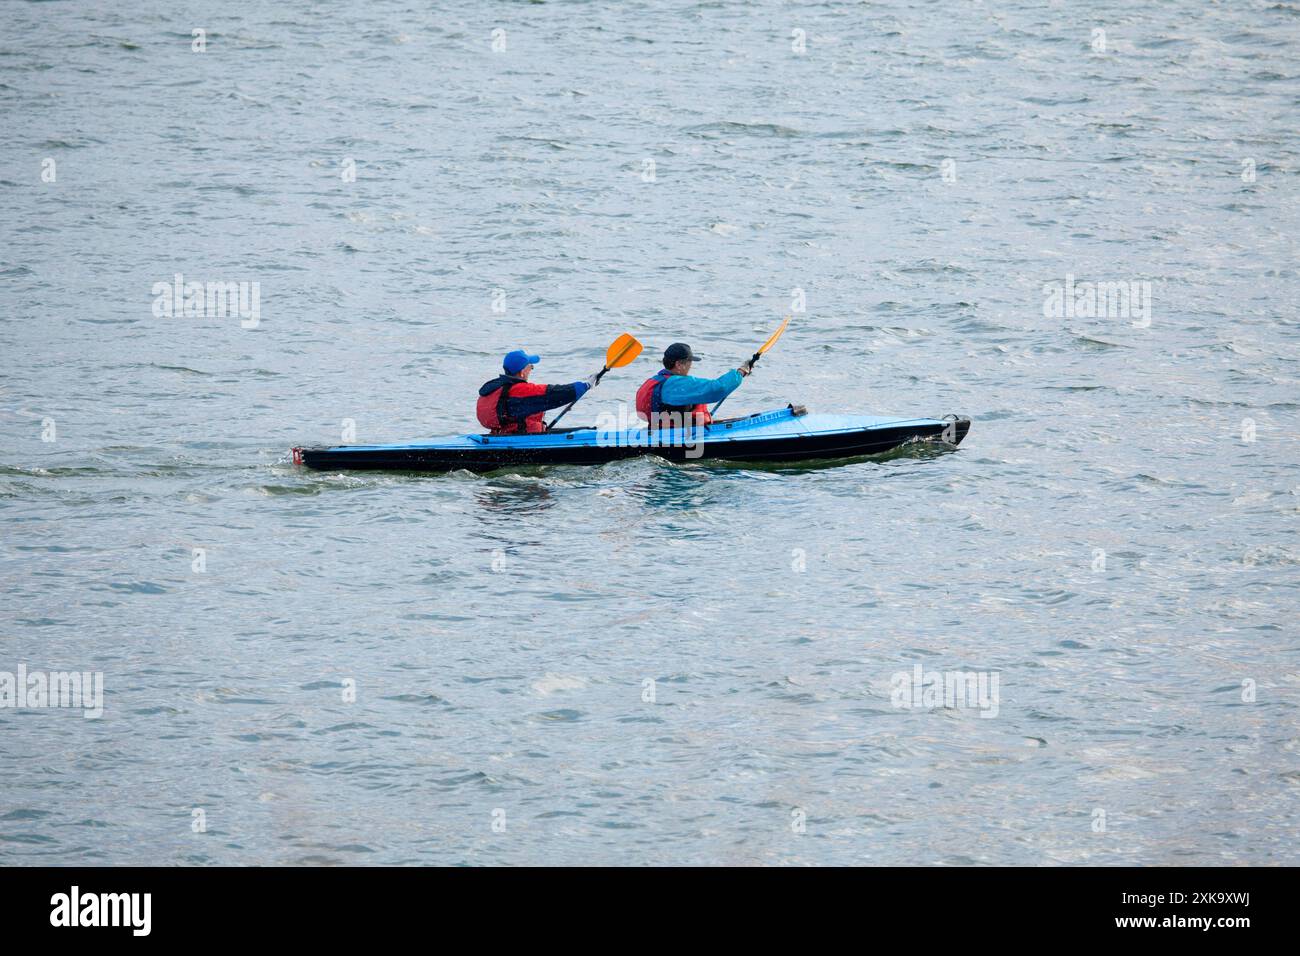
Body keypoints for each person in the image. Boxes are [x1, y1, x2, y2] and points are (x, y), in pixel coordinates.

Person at [477, 350, 597, 435]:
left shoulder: (498, 387)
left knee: (587, 430)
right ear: (522, 372)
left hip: (502, 436)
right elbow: (553, 394)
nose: (531, 370)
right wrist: (586, 385)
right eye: (530, 367)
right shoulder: (520, 390)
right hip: (522, 440)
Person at [635, 342, 751, 430]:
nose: (690, 366)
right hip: (679, 435)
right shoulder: (675, 384)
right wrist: (740, 373)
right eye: (689, 363)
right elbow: (717, 389)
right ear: (679, 364)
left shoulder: (653, 381)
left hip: (661, 431)